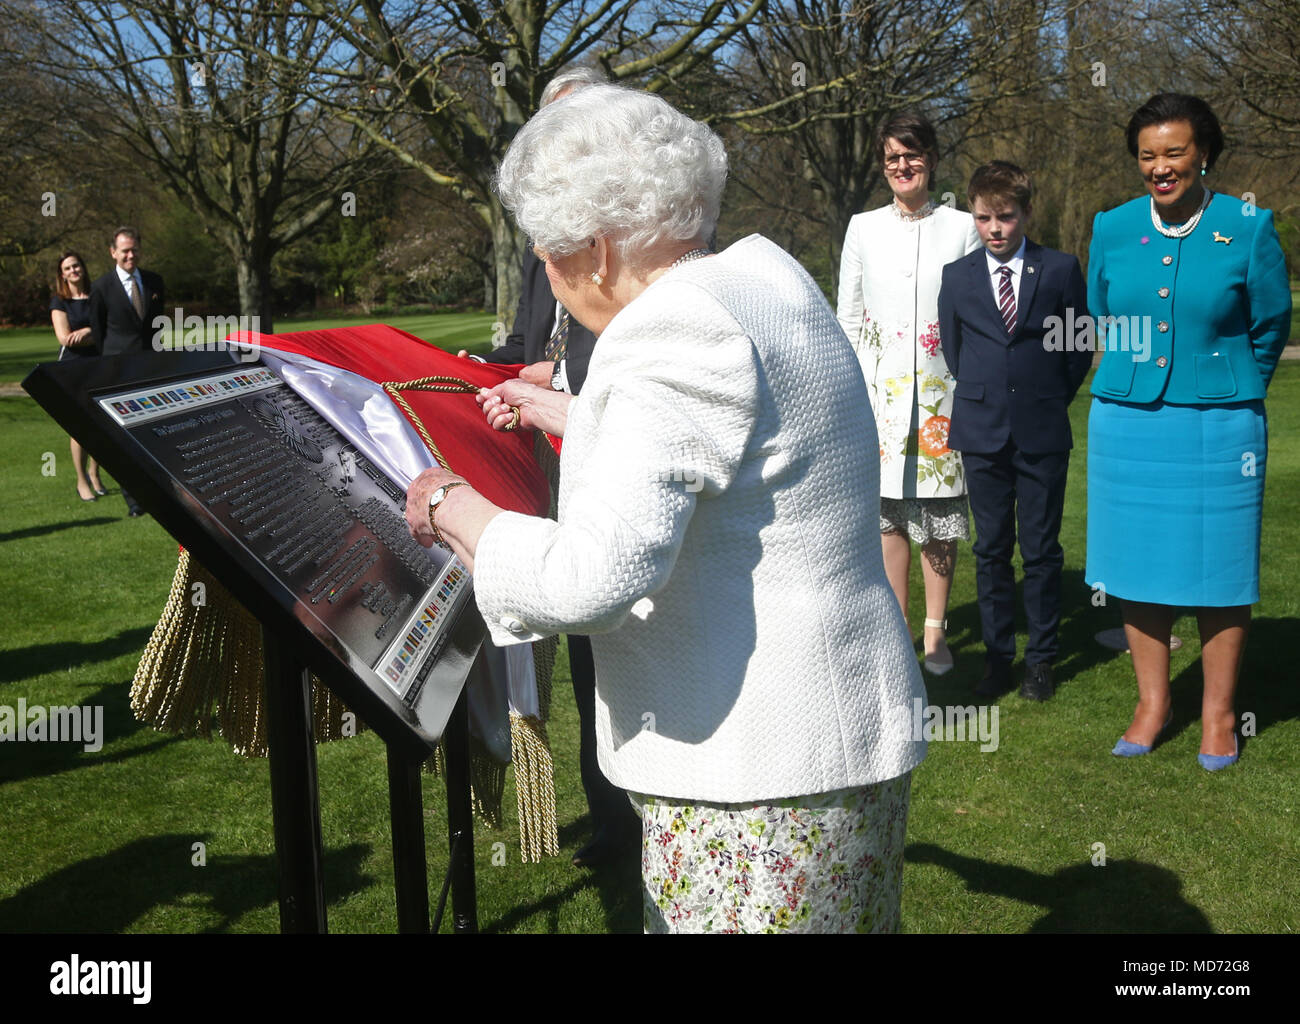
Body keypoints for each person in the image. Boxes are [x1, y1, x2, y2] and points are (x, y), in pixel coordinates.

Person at [405, 85, 926, 933]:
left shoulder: (664, 333)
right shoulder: (765, 277)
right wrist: (566, 411)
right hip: (841, 737)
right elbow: (725, 456)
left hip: (756, 774)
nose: (547, 270)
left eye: (547, 251)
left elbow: (595, 576)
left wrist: (450, 507)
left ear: (599, 251)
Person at [1086, 93, 1291, 769]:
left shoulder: (1249, 226)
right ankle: (1152, 704)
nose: (1160, 167)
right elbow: (1102, 313)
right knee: (1136, 568)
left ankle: (1219, 712)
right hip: (1129, 422)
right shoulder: (1112, 228)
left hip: (1221, 428)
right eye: (1148, 155)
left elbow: (1268, 324)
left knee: (1220, 569)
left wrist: (1231, 387)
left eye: (1174, 152)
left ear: (1204, 153)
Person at [465, 67, 637, 867]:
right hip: (560, 461)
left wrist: (551, 384)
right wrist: (490, 369)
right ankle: (611, 817)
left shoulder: (640, 230)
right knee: (585, 645)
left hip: (624, 453)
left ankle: (642, 810)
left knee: (623, 624)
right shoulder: (549, 241)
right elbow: (545, 347)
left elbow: (623, 355)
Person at [937, 162, 1091, 700]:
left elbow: (1076, 349)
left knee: (1043, 550)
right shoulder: (957, 277)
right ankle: (999, 659)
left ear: (1025, 212)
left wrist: (1044, 399)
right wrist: (988, 399)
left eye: (1005, 217)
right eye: (984, 218)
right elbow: (956, 354)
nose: (995, 228)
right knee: (991, 549)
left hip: (1043, 428)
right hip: (980, 432)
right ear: (974, 217)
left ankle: (1042, 659)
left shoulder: (1061, 269)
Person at [836, 111, 981, 676]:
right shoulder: (862, 227)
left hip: (945, 390)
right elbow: (848, 315)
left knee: (938, 513)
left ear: (932, 160)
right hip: (880, 396)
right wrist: (848, 388)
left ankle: (935, 635)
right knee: (890, 514)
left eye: (912, 155)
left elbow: (975, 312)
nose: (903, 165)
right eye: (893, 157)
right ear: (883, 165)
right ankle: (896, 629)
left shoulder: (962, 226)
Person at [88, 226, 166, 517]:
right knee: (122, 438)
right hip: (117, 372)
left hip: (149, 368)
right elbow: (98, 333)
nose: (130, 255)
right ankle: (133, 500)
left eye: (134, 249)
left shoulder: (155, 281)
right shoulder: (101, 287)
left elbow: (158, 327)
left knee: (152, 433)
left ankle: (159, 494)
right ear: (113, 252)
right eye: (124, 251)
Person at [49, 249, 106, 502]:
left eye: (76, 266)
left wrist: (86, 332)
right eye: (68, 268)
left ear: (83, 267)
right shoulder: (59, 301)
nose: (73, 271)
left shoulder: (97, 295)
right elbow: (65, 338)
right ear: (62, 275)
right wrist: (89, 334)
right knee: (78, 427)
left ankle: (95, 473)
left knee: (102, 423)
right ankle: (82, 480)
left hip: (99, 363)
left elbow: (107, 328)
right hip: (72, 367)